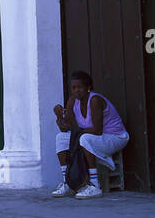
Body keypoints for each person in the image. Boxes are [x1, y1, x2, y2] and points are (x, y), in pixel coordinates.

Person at [52, 70, 129, 198]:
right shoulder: (72, 101)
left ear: (88, 88)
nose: (76, 90)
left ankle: (95, 185)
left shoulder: (95, 100)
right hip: (95, 137)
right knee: (61, 138)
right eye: (74, 87)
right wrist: (59, 117)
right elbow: (66, 129)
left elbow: (97, 130)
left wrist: (76, 134)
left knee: (84, 138)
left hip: (115, 137)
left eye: (80, 87)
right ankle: (68, 183)